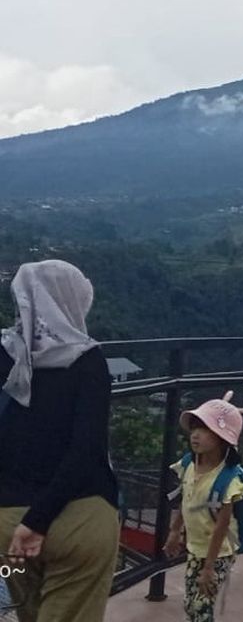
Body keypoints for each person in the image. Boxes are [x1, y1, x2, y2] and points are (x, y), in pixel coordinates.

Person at [0, 260, 120, 622]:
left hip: (9, 534)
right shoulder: (87, 361)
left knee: (29, 614)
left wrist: (26, 524)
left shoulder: (5, 355)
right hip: (80, 527)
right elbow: (86, 450)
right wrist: (39, 521)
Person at [166, 392, 243, 622]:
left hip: (218, 553)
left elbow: (221, 527)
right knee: (191, 604)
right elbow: (187, 496)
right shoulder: (189, 464)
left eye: (204, 430)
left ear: (223, 438)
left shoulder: (228, 480)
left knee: (202, 607)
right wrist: (175, 531)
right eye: (194, 428)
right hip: (196, 547)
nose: (195, 435)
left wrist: (209, 568)